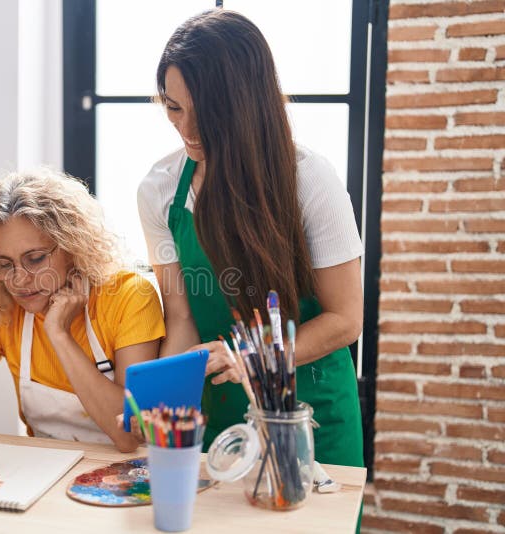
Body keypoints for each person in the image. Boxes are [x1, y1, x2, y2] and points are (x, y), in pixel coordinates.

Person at [137, 9, 364, 470]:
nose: (187, 131)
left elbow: (345, 319)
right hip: (218, 413)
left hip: (310, 411)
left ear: (246, 103)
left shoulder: (309, 180)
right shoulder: (158, 190)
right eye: (174, 108)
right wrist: (163, 403)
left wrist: (248, 356)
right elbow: (181, 316)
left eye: (205, 113)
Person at [0, 169, 165, 470]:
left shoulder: (129, 297)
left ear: (72, 245)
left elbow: (127, 436)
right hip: (44, 475)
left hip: (126, 479)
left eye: (35, 259)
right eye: (4, 264)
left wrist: (59, 334)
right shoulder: (4, 308)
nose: (19, 279)